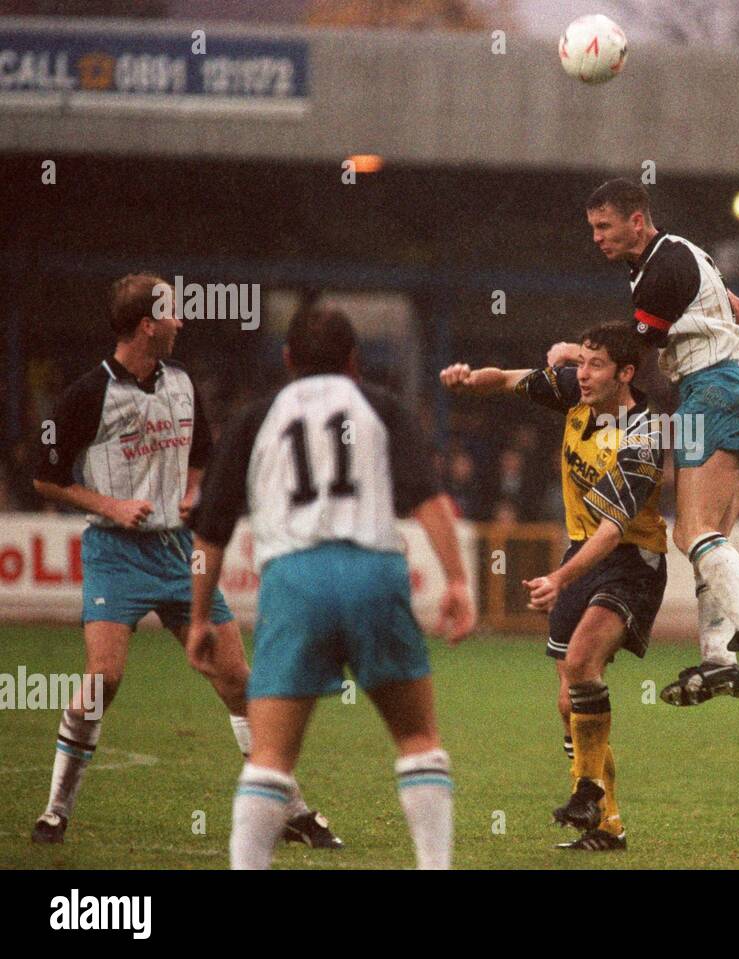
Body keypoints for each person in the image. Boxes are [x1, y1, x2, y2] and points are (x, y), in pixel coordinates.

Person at [29, 273, 339, 849]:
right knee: (104, 679)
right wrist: (110, 505)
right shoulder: (85, 395)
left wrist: (193, 494)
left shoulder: (182, 384)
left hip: (176, 552)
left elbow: (200, 458)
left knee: (238, 682)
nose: (182, 321)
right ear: (147, 324)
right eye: (172, 313)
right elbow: (46, 478)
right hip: (115, 552)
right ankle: (55, 810)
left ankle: (291, 811)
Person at [187, 307, 475, 869]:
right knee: (417, 738)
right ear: (354, 362)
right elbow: (428, 499)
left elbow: (210, 529)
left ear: (288, 359)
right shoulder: (382, 407)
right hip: (373, 573)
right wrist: (458, 581)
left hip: (294, 580)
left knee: (270, 756)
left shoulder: (254, 418)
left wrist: (199, 617)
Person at [554, 177, 739, 705]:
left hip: (709, 391)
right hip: (724, 392)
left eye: (604, 226)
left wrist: (576, 353)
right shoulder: (688, 257)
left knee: (690, 532)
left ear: (636, 221)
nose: (596, 237)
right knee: (710, 538)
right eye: (592, 227)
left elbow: (629, 356)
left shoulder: (661, 269)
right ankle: (716, 658)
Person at [440, 322, 668, 852]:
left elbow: (613, 531)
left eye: (594, 366)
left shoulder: (646, 433)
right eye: (579, 364)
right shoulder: (576, 391)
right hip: (580, 555)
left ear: (626, 374)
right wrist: (469, 379)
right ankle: (605, 822)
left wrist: (560, 577)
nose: (580, 375)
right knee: (570, 700)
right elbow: (505, 380)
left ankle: (585, 789)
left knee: (584, 658)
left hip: (631, 560)